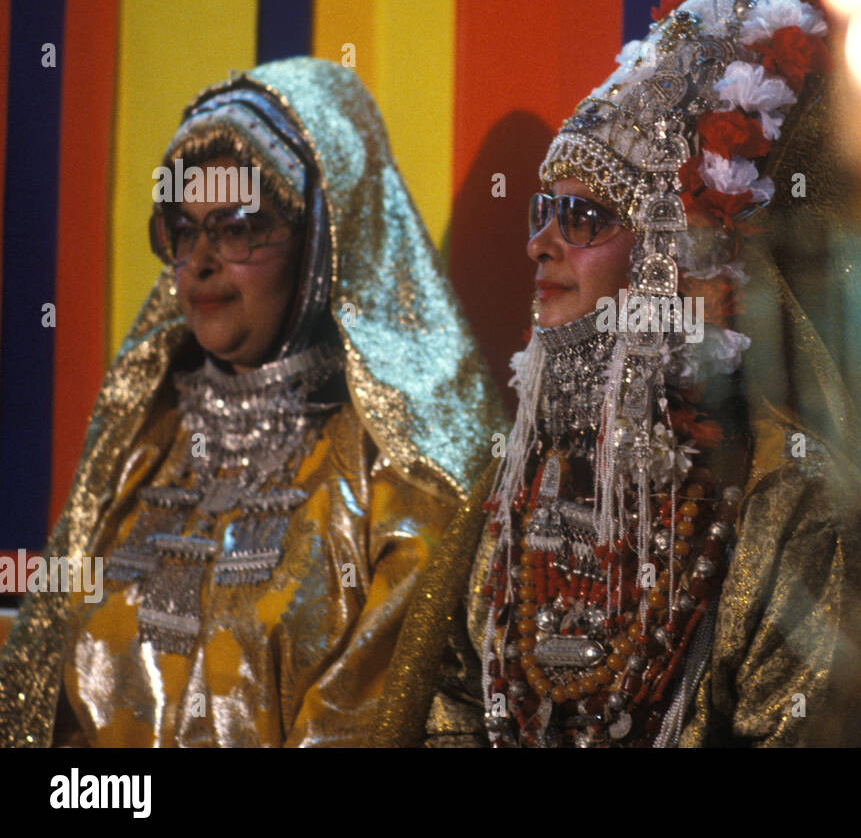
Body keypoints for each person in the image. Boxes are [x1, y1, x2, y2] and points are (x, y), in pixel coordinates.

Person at [375, 0, 861, 747]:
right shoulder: (528, 475)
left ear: (669, 258)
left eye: (584, 218)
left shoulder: (782, 503)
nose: (541, 245)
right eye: (540, 212)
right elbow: (452, 699)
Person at [0, 57, 503, 746]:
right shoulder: (144, 439)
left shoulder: (397, 482)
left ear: (323, 240)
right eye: (184, 230)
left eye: (237, 228)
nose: (202, 260)